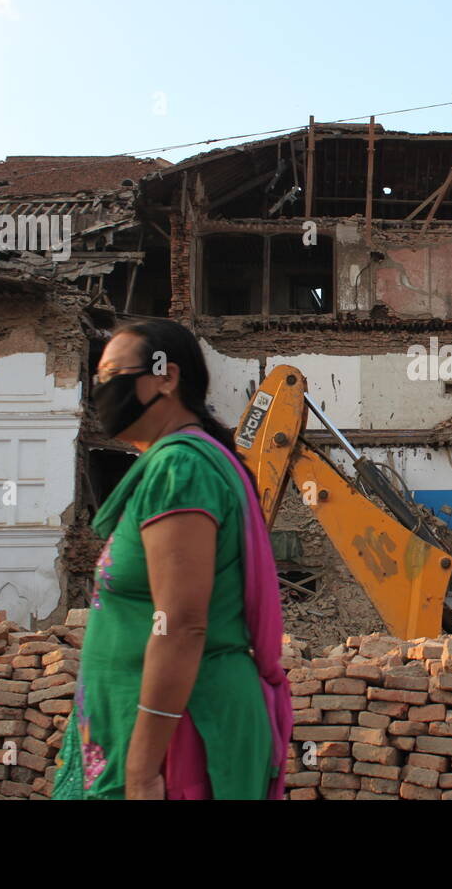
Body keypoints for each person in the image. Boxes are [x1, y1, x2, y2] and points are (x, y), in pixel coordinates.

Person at [52, 318, 289, 800]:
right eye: (98, 379)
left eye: (114, 374)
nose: (102, 389)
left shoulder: (180, 469)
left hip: (178, 739)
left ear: (166, 376)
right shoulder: (177, 462)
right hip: (158, 727)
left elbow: (179, 623)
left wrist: (141, 772)